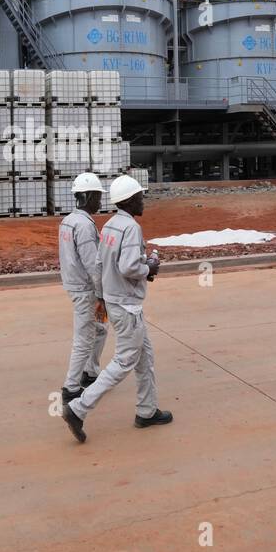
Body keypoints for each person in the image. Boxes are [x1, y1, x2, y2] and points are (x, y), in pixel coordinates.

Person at [62, 174, 170, 444]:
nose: (143, 200)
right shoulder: (130, 228)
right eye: (141, 196)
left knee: (145, 357)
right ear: (130, 200)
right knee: (124, 361)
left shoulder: (110, 225)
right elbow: (129, 267)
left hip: (116, 301)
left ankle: (147, 411)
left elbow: (99, 265)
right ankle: (78, 408)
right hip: (127, 306)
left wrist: (102, 296)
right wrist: (149, 267)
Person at [58, 173, 110, 404]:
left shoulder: (68, 220)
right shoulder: (85, 226)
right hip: (86, 289)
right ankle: (71, 387)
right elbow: (92, 265)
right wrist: (102, 294)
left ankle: (90, 372)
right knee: (84, 337)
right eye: (98, 197)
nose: (100, 202)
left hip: (75, 284)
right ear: (87, 196)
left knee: (100, 329)